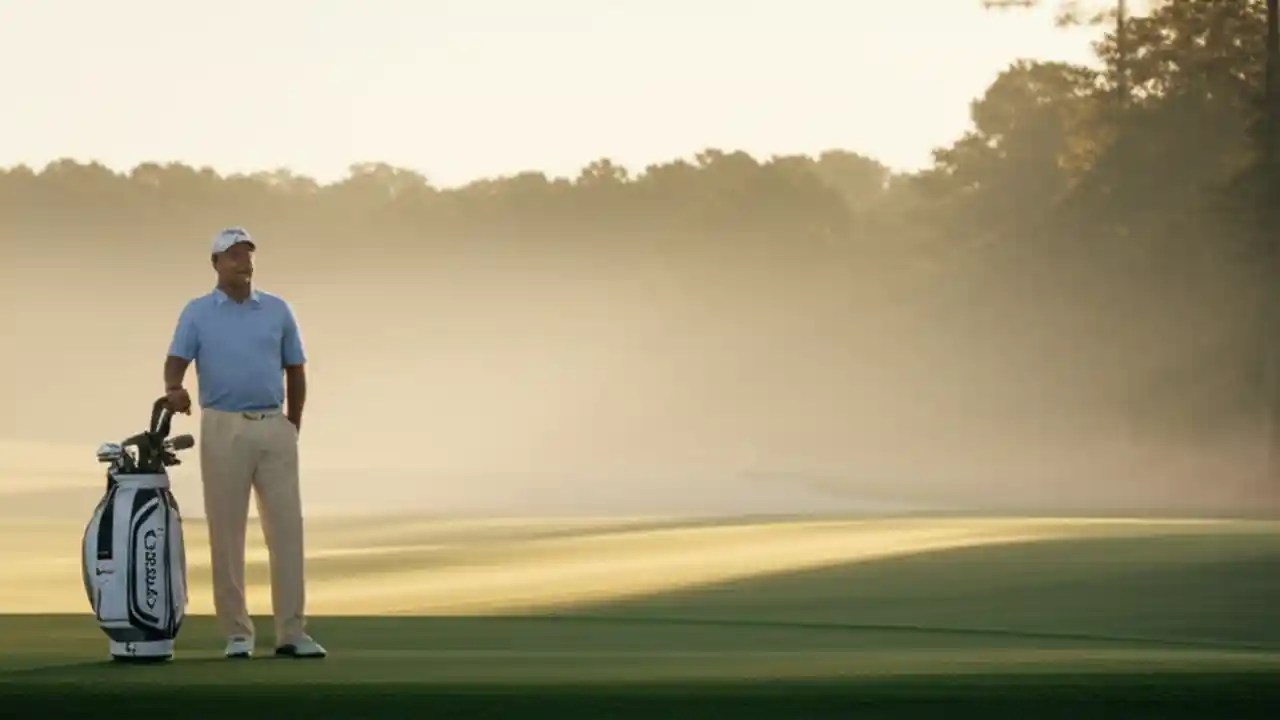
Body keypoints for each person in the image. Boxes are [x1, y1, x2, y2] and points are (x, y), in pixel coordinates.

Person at [163, 227, 326, 659]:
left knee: (287, 531)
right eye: (233, 254)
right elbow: (176, 360)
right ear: (215, 263)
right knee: (226, 532)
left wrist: (292, 424)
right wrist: (174, 388)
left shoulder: (276, 309)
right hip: (223, 427)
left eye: (247, 253)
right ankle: (238, 633)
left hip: (273, 425)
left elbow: (295, 368)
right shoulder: (198, 312)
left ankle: (292, 633)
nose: (243, 261)